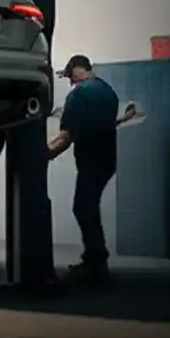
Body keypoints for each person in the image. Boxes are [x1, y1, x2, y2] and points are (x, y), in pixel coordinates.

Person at [47, 54, 137, 284]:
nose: (70, 82)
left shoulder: (79, 94)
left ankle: (96, 263)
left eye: (70, 76)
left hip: (90, 161)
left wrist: (42, 156)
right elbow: (101, 124)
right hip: (107, 161)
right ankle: (95, 260)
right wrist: (124, 119)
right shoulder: (108, 93)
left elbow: (65, 136)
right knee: (89, 207)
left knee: (83, 208)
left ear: (78, 69)